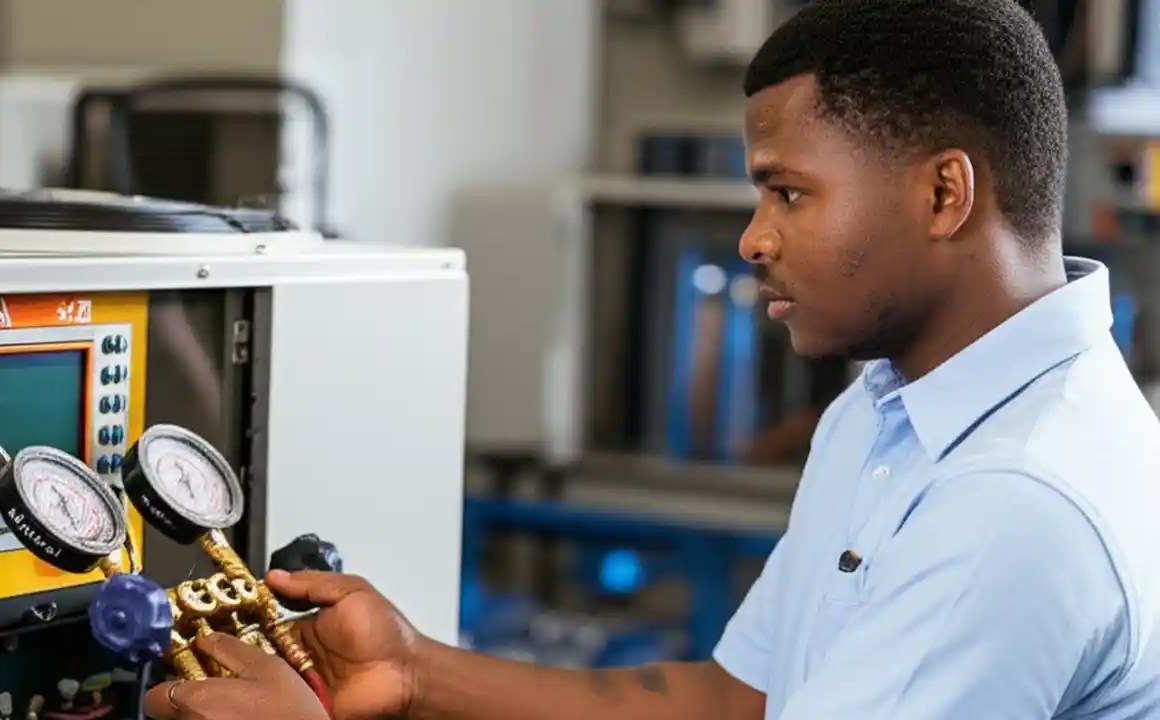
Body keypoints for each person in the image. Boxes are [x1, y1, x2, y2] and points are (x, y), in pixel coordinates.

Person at [144, 0, 1160, 717]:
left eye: (787, 192)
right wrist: (415, 672)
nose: (751, 240)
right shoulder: (888, 412)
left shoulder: (1015, 500)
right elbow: (734, 701)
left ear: (944, 194)